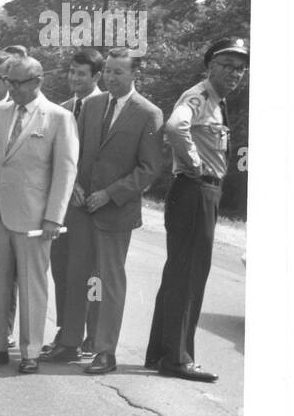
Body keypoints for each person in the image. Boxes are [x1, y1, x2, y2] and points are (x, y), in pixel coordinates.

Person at [43, 49, 162, 375]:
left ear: (134, 75)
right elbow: (75, 151)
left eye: (118, 73)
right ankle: (69, 343)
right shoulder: (92, 106)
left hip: (115, 214)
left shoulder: (148, 114)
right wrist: (77, 186)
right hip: (81, 209)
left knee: (106, 283)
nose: (110, 77)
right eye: (107, 71)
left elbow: (150, 168)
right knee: (75, 275)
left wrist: (110, 194)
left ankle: (104, 352)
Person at [144, 38, 248, 383]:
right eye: (227, 65)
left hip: (201, 192)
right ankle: (178, 359)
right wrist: (194, 163)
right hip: (196, 190)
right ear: (209, 67)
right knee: (189, 275)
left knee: (180, 273)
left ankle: (161, 351)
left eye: (240, 68)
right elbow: (175, 126)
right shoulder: (199, 97)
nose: (235, 73)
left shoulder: (217, 103)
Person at [0, 55, 78, 373]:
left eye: (18, 83)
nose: (11, 88)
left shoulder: (59, 117)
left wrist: (54, 216)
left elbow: (66, 171)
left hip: (35, 220)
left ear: (37, 81)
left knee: (32, 287)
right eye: (8, 82)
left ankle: (30, 352)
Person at [49, 48, 105, 355]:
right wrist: (70, 188)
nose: (74, 78)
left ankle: (91, 336)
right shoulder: (63, 108)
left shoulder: (105, 108)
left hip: (93, 207)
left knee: (91, 277)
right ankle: (65, 333)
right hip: (66, 203)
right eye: (71, 72)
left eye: (81, 73)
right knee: (62, 270)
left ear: (96, 76)